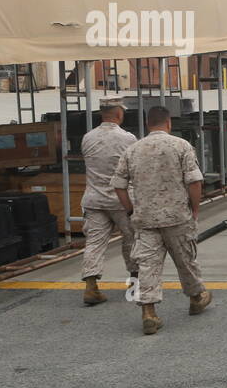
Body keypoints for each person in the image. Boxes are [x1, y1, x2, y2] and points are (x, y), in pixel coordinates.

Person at [111, 106, 211, 335]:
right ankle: (196, 297)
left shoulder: (133, 150)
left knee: (147, 265)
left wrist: (131, 210)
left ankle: (149, 312)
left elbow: (119, 186)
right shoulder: (181, 146)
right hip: (177, 217)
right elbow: (194, 182)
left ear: (148, 124)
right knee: (185, 260)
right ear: (169, 124)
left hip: (145, 219)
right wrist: (194, 209)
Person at [78, 96, 138, 305]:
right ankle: (135, 282)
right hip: (121, 200)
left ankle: (91, 286)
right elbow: (134, 169)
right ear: (119, 113)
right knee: (131, 240)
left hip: (94, 200)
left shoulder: (87, 137)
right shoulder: (128, 138)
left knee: (94, 243)